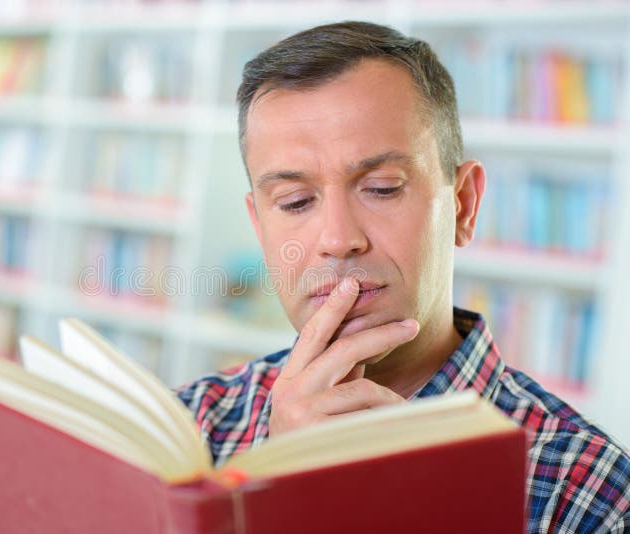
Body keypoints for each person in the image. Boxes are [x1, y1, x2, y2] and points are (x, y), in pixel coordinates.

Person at [175, 21, 630, 533]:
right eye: (295, 202)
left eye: (382, 188)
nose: (338, 238)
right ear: (260, 228)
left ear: (462, 206)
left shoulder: (591, 492)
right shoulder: (189, 429)